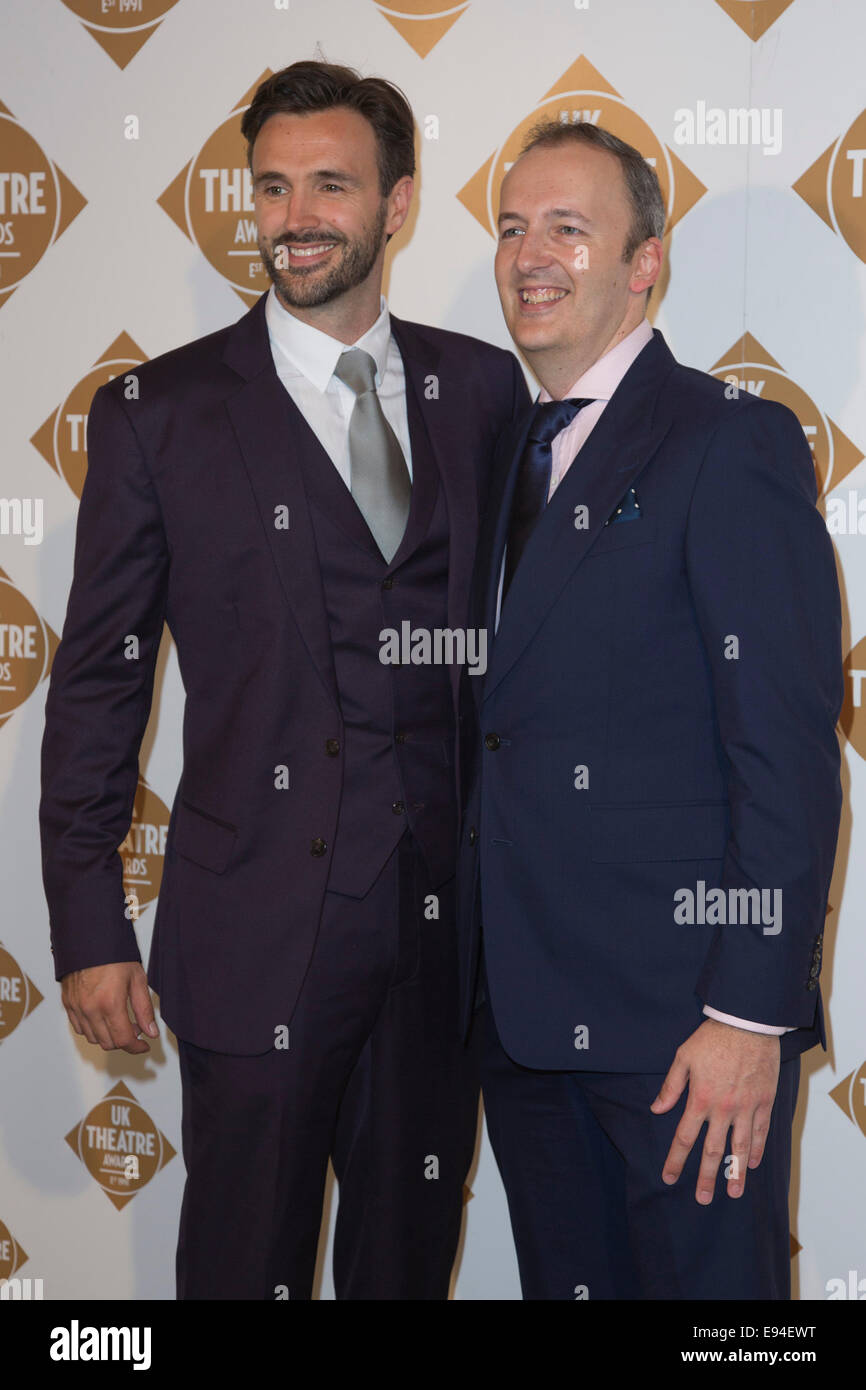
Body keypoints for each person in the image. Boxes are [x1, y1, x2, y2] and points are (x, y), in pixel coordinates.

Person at [39, 60, 528, 1300]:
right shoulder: (159, 412)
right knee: (240, 1266)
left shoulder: (476, 390)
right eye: (269, 187)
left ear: (398, 204)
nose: (292, 214)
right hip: (252, 928)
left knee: (404, 1265)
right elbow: (99, 683)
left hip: (440, 941)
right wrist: (93, 926)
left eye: (328, 184)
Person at [457, 120, 843, 1300]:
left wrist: (747, 1016)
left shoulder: (729, 443)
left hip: (683, 1037)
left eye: (569, 228)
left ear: (644, 263)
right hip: (520, 1025)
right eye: (513, 227)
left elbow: (784, 757)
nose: (531, 253)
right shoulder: (498, 456)